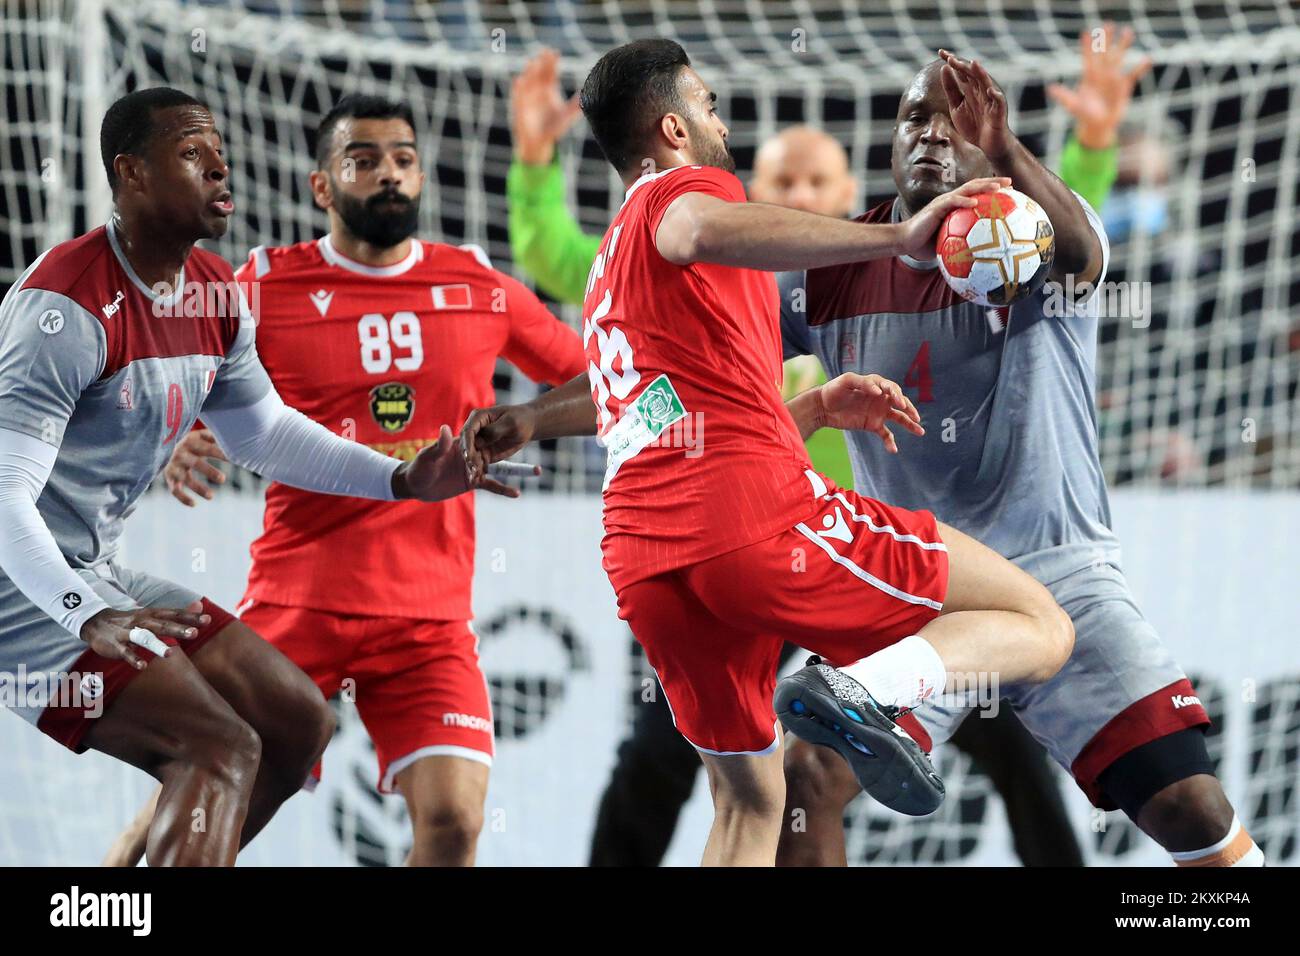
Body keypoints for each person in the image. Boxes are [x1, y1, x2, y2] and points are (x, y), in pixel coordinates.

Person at [505, 35, 1140, 866]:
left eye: (814, 184)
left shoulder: (627, 268)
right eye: (708, 106)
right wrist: (898, 239)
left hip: (650, 549)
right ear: (671, 129)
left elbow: (655, 399)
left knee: (751, 798)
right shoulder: (701, 205)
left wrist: (806, 406)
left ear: (845, 188)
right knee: (1036, 624)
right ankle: (860, 687)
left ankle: (858, 691)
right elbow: (695, 223)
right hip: (770, 529)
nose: (719, 122)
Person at [774, 50, 1263, 868]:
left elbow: (1080, 251)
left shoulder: (1030, 239)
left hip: (1057, 576)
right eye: (913, 118)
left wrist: (1005, 157)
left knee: (1188, 804)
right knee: (808, 775)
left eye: (954, 122)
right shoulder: (829, 269)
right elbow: (707, 358)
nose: (931, 133)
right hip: (917, 576)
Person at [0, 88, 491, 867]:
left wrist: (401, 482)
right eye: (193, 153)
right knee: (220, 745)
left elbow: (263, 434)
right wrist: (81, 612)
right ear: (130, 174)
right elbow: (3, 503)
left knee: (295, 721)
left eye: (220, 149)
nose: (222, 167)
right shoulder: (65, 306)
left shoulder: (213, 292)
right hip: (21, 593)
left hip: (91, 570)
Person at [100, 94, 585, 867]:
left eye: (402, 159)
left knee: (456, 824)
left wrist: (527, 417)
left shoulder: (478, 285)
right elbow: (141, 371)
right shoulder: (259, 286)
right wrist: (171, 440)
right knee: (198, 808)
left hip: (428, 620)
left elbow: (601, 382)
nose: (388, 175)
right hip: (299, 604)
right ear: (323, 185)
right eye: (363, 160)